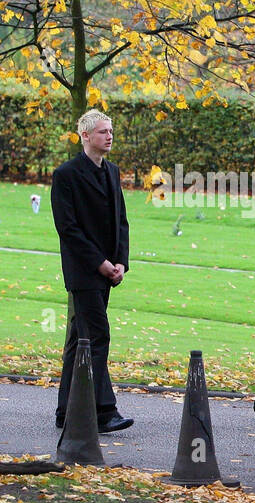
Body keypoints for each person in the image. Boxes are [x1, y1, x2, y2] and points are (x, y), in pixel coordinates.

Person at [51, 109, 133, 433]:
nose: (109, 136)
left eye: (111, 131)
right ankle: (101, 411)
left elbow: (120, 220)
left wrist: (121, 262)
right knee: (97, 336)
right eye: (102, 132)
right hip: (84, 272)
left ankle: (66, 411)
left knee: (79, 340)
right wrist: (101, 263)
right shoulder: (67, 174)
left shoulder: (111, 171)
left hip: (107, 271)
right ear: (85, 136)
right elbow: (68, 230)